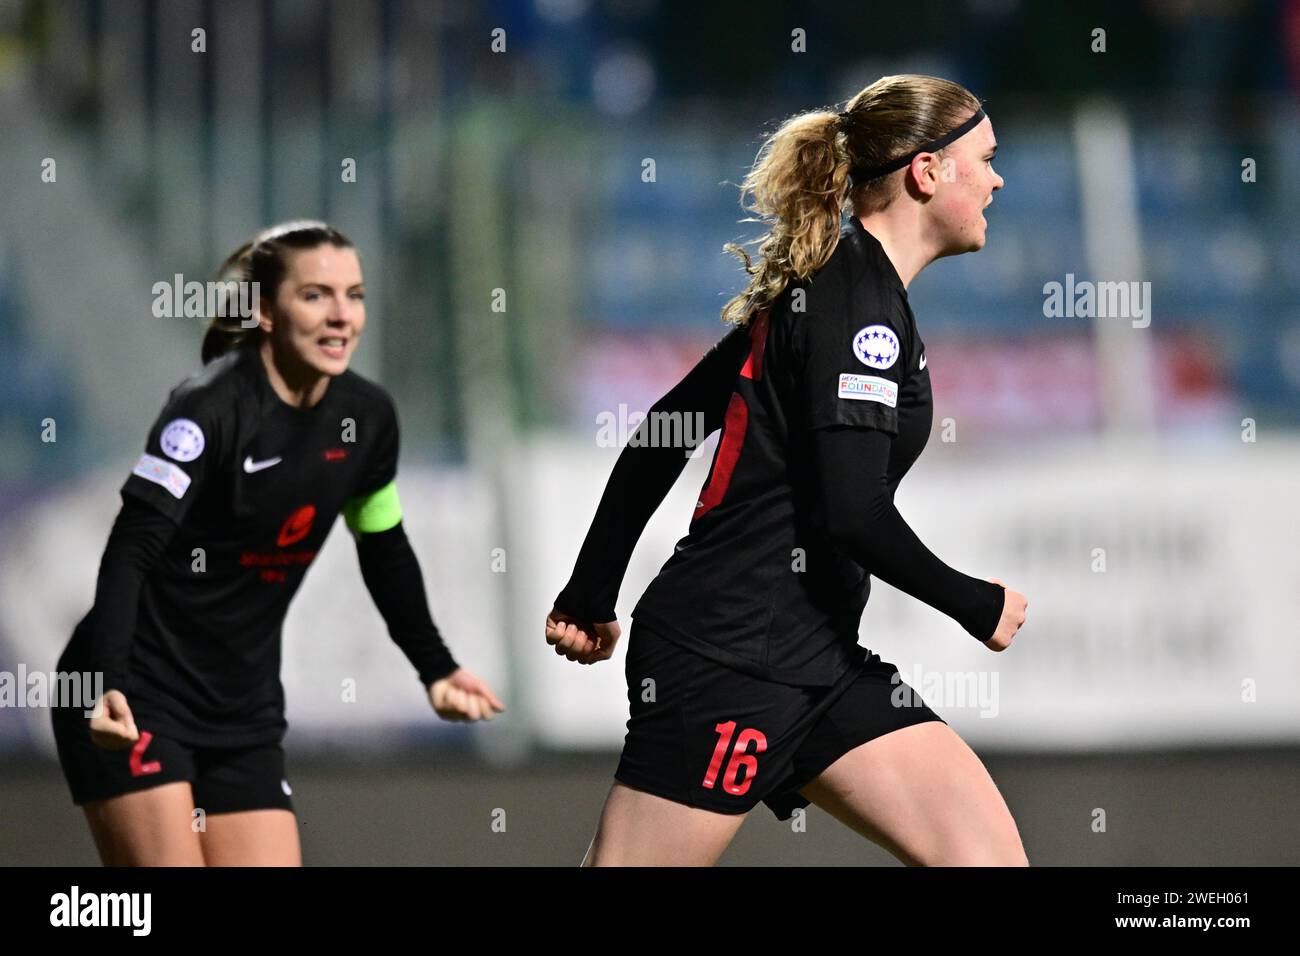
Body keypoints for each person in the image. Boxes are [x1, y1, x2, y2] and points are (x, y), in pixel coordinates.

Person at [546, 75, 1029, 866]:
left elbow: (662, 435)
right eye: (986, 157)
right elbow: (852, 510)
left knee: (986, 860)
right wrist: (971, 600)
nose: (999, 178)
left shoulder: (839, 289)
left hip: (820, 660)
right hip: (728, 658)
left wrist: (592, 591)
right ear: (928, 172)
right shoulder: (854, 304)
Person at [52, 221, 503, 866]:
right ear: (264, 310)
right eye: (316, 295)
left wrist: (435, 666)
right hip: (138, 691)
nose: (342, 315)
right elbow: (131, 549)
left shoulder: (367, 419)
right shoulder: (207, 411)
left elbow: (384, 546)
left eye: (356, 294)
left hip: (242, 709)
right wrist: (106, 681)